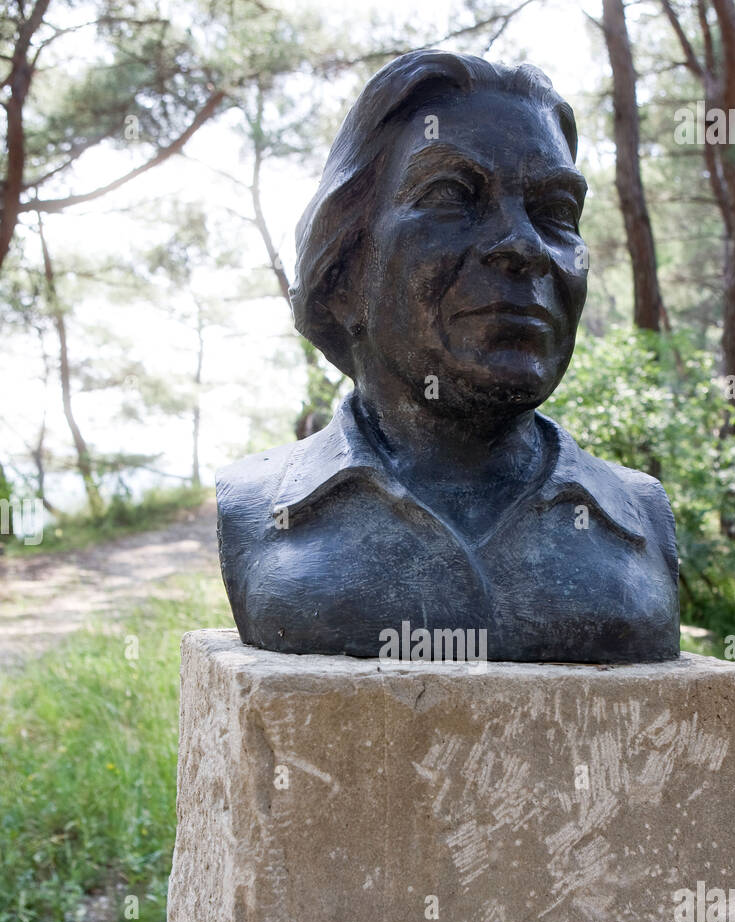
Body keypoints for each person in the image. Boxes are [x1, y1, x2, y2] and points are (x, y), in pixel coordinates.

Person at [216, 50, 679, 663]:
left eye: (555, 212)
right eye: (452, 195)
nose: (523, 246)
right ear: (346, 271)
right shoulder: (257, 506)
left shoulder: (637, 513)